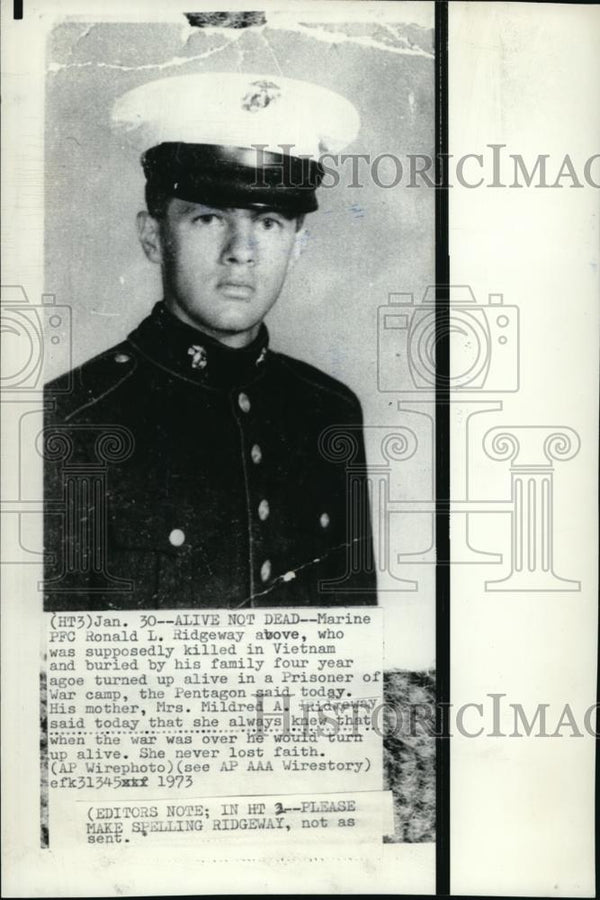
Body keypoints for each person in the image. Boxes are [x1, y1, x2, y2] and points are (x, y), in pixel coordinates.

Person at [43, 73, 377, 610]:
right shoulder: (73, 417)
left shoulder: (328, 411)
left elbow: (356, 640)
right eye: (208, 218)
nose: (241, 251)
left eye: (269, 223)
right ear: (154, 237)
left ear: (297, 245)